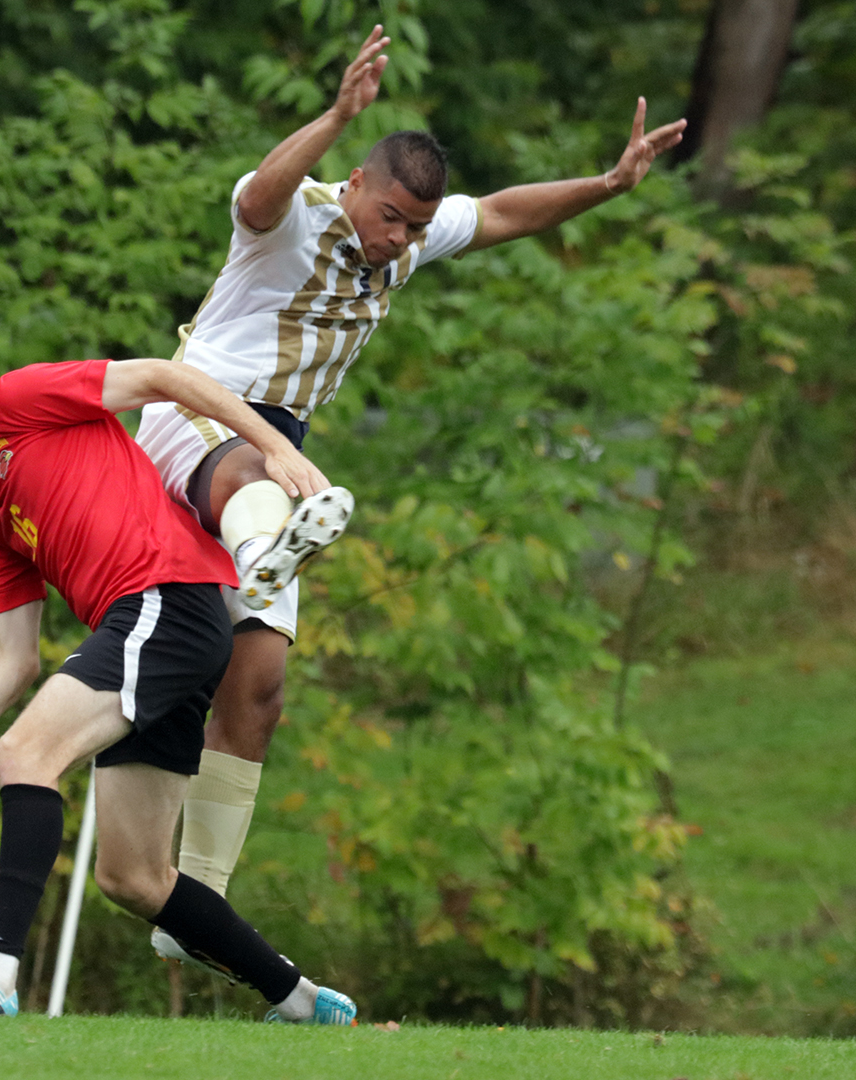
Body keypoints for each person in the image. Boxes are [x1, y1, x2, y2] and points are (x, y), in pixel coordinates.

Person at [136, 24, 688, 971]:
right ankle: (266, 545)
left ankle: (195, 902)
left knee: (258, 689)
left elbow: (504, 212)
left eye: (414, 227)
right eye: (388, 215)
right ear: (355, 183)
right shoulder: (295, 217)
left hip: (283, 458)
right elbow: (259, 193)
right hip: (197, 411)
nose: (397, 237)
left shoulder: (406, 246)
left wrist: (607, 184)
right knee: (253, 482)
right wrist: (335, 114)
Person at [0, 346, 357, 1024]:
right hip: (167, 631)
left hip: (165, 601)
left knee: (25, 753)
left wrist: (274, 447)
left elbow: (162, 377)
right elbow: (12, 659)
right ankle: (304, 1004)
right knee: (132, 878)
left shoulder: (21, 400)